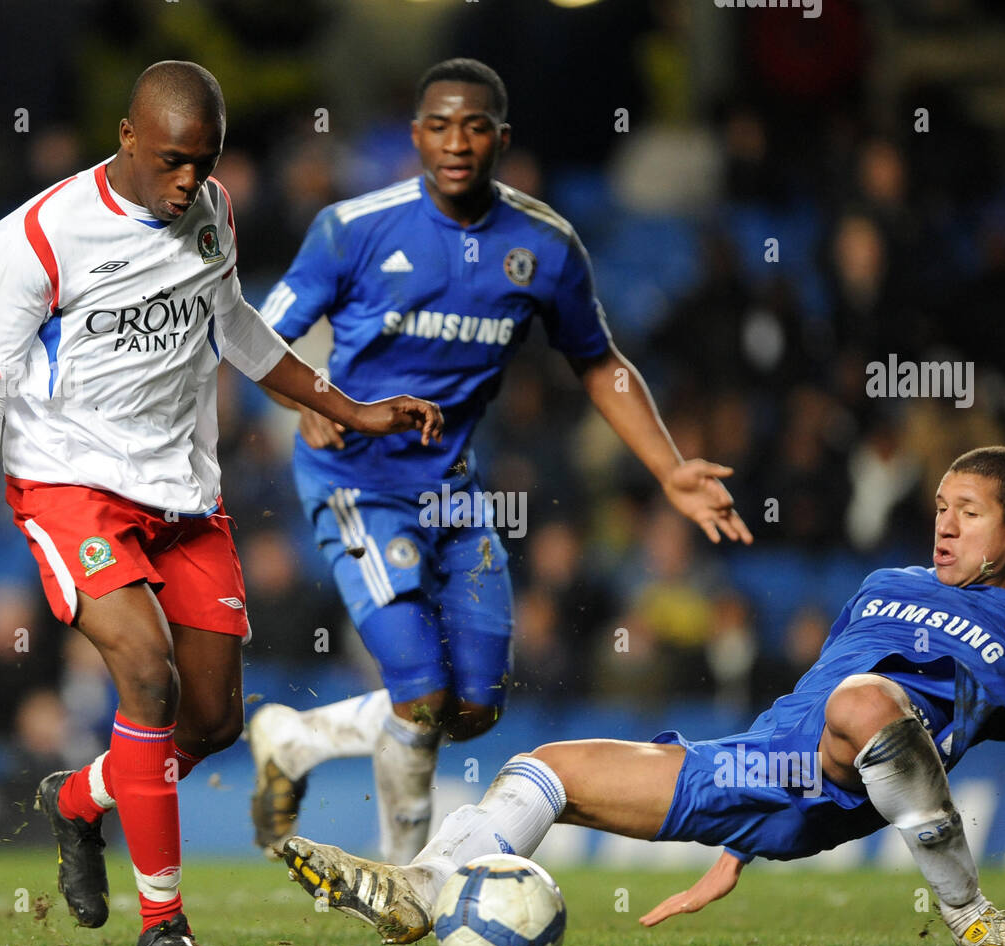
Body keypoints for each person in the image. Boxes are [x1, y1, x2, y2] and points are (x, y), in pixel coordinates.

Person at [0, 61, 442, 946]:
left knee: (210, 720)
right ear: (127, 137)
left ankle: (81, 797)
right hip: (71, 484)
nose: (188, 180)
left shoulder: (209, 206)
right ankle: (164, 925)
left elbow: (236, 324)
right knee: (145, 669)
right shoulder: (38, 238)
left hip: (183, 489)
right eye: (173, 160)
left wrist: (343, 403)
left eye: (203, 161)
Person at [281, 447, 1005, 946]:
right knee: (547, 766)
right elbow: (811, 702)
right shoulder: (885, 585)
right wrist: (742, 834)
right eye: (941, 504)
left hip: (857, 761)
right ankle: (420, 888)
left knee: (866, 701)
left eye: (969, 511)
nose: (944, 523)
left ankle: (972, 917)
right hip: (768, 761)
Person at [249, 58, 751, 865]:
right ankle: (408, 882)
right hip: (357, 480)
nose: (457, 141)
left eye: (475, 125)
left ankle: (295, 737)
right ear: (415, 136)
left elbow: (599, 361)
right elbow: (259, 339)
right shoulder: (353, 228)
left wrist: (668, 467)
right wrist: (309, 401)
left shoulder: (545, 246)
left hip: (452, 490)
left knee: (472, 707)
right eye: (440, 125)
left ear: (501, 138)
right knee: (419, 688)